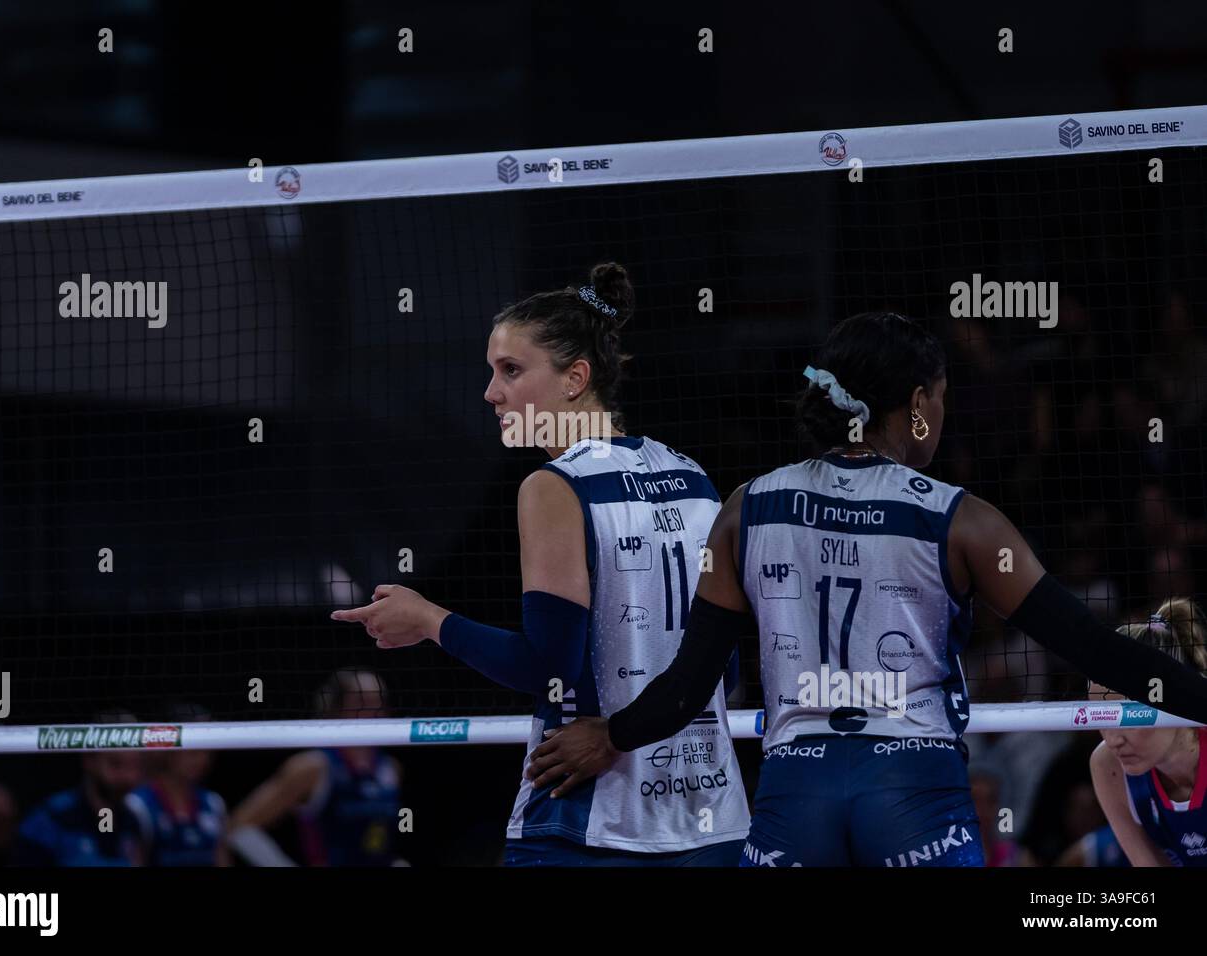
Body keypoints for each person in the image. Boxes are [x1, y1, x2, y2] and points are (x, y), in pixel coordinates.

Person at [524, 310, 1207, 867]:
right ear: (916, 404)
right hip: (912, 787)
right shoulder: (961, 518)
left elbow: (688, 684)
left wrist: (611, 735)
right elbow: (1095, 648)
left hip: (796, 792)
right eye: (939, 400)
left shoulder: (746, 507)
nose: (940, 417)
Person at [332, 263, 749, 866]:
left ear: (575, 378)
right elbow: (725, 669)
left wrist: (428, 620)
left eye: (511, 371)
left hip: (589, 821)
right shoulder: (693, 477)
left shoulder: (554, 486)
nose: (490, 393)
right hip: (710, 817)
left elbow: (544, 667)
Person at [227, 669, 403, 866]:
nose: (375, 712)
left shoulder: (389, 769)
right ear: (337, 709)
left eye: (380, 702)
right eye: (362, 703)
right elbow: (239, 826)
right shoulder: (312, 767)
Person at [1089, 598, 1207, 866]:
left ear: (1174, 701)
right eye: (1102, 718)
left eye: (1127, 718)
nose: (1113, 740)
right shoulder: (1107, 765)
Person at [12, 709, 143, 866]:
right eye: (116, 764)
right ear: (89, 760)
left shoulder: (133, 821)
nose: (128, 777)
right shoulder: (49, 820)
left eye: (134, 765)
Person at [125, 702, 229, 866]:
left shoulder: (214, 805)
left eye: (206, 749)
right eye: (193, 748)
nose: (202, 758)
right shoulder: (138, 806)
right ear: (169, 745)